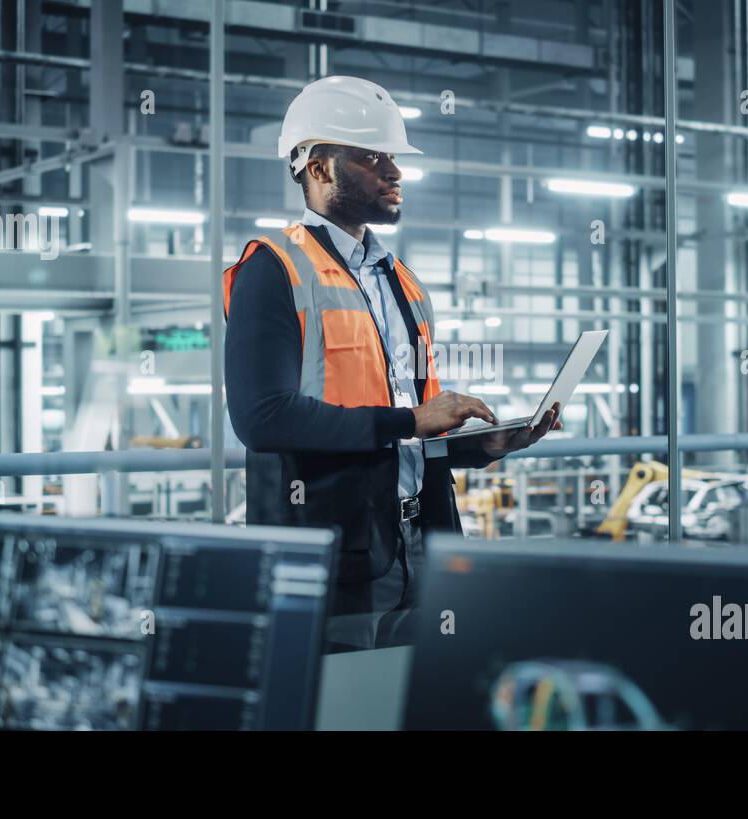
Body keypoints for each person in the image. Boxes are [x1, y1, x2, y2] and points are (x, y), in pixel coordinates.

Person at [223, 76, 559, 652]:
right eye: (373, 158)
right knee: (342, 703)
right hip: (333, 549)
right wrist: (411, 421)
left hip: (422, 538)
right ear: (319, 167)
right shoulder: (273, 268)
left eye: (394, 158)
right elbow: (262, 418)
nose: (395, 173)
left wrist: (482, 447)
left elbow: (415, 429)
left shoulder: (402, 282)